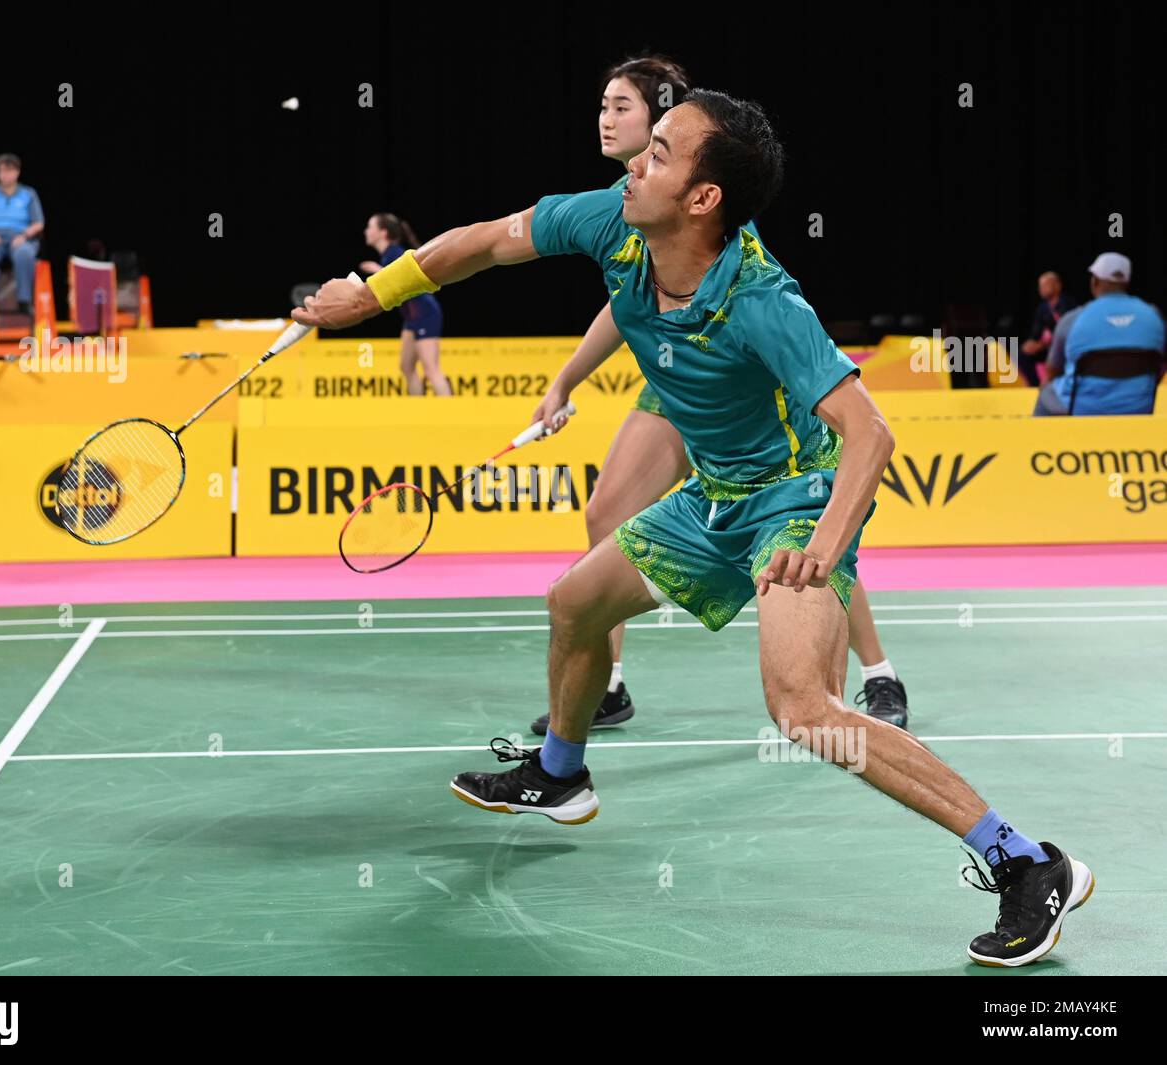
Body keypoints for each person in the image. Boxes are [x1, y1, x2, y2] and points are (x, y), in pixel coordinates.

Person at [293, 90, 1094, 968]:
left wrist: (823, 547)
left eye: (661, 152)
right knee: (575, 603)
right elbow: (484, 241)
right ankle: (560, 774)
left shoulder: (763, 302)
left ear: (704, 198)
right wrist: (373, 292)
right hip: (712, 494)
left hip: (792, 498)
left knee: (803, 710)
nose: (634, 161)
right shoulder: (612, 223)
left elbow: (872, 433)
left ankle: (1026, 859)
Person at [529, 55, 909, 736]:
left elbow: (862, 426)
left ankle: (876, 669)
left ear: (657, 123)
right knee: (606, 515)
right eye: (604, 105)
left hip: (737, 378)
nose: (606, 118)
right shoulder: (626, 208)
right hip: (675, 381)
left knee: (804, 513)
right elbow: (625, 298)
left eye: (622, 107)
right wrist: (565, 378)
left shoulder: (701, 201)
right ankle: (607, 682)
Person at [1034, 252, 1165, 415]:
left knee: (1046, 391)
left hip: (1083, 409)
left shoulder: (1072, 320)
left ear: (1094, 282)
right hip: (1139, 407)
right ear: (1126, 282)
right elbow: (1160, 367)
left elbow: (1052, 372)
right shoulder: (1154, 317)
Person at [359, 214, 449, 395]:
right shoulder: (387, 256)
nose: (366, 231)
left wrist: (377, 271)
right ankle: (415, 412)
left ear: (383, 232)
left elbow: (406, 278)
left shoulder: (395, 253)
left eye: (370, 226)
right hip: (411, 318)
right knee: (406, 367)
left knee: (431, 369)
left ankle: (451, 414)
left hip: (425, 314)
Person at [0, 153, 45, 315]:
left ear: (17, 172)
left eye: (9, 171)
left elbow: (39, 223)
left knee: (24, 253)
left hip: (20, 238)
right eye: (2, 171)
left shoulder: (29, 194)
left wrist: (24, 236)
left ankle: (24, 301)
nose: (5, 174)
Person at [1019, 271, 1075, 385]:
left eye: (1045, 285)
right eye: (1040, 286)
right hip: (1046, 348)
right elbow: (1036, 332)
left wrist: (1044, 344)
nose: (1041, 289)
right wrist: (1032, 343)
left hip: (1065, 345)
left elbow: (1069, 331)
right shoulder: (1042, 308)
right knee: (1023, 353)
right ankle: (1034, 386)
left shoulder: (1069, 304)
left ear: (1057, 285)